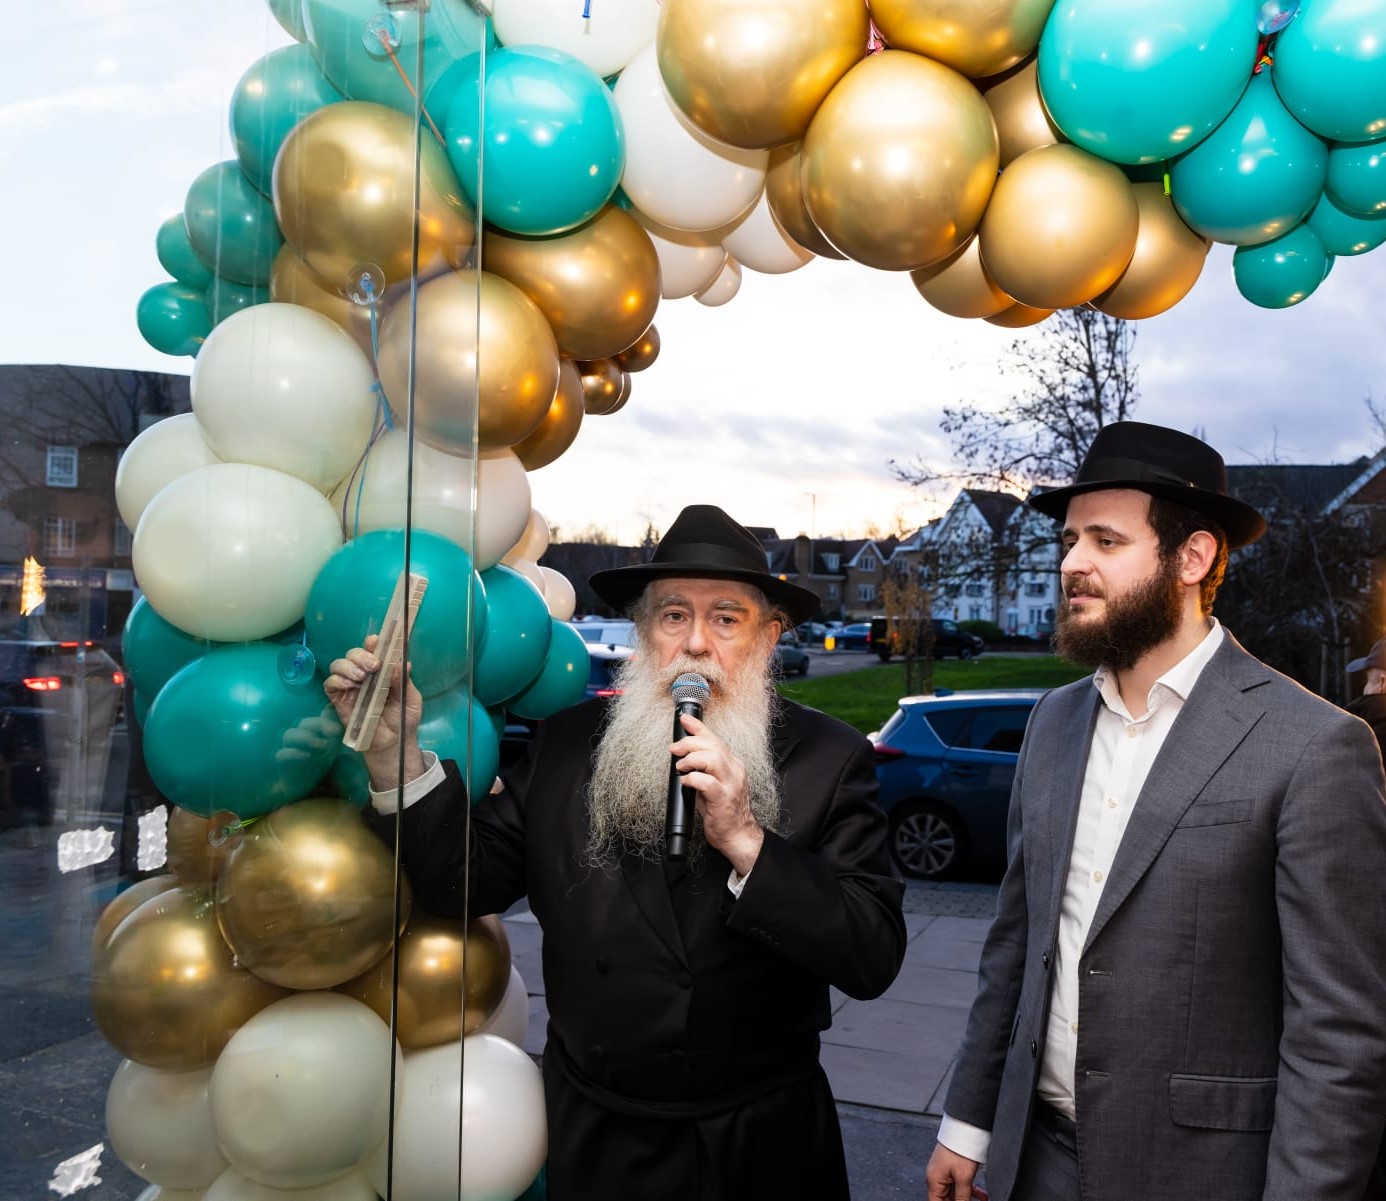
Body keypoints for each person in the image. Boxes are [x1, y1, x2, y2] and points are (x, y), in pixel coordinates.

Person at [324, 504, 906, 1201]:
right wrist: (396, 754)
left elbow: (871, 953)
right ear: (643, 632)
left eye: (726, 618)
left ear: (768, 636)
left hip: (758, 1144)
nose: (695, 643)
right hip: (601, 1138)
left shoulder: (830, 758)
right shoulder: (568, 744)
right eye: (671, 616)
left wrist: (747, 840)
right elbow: (459, 883)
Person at [925, 422, 1386, 1201]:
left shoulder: (1314, 747)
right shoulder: (1051, 724)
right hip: (1030, 1163)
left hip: (1200, 1177)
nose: (1072, 562)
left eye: (1106, 540)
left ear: (1193, 557)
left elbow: (1338, 1038)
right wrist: (967, 1125)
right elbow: (1015, 946)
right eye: (1070, 540)